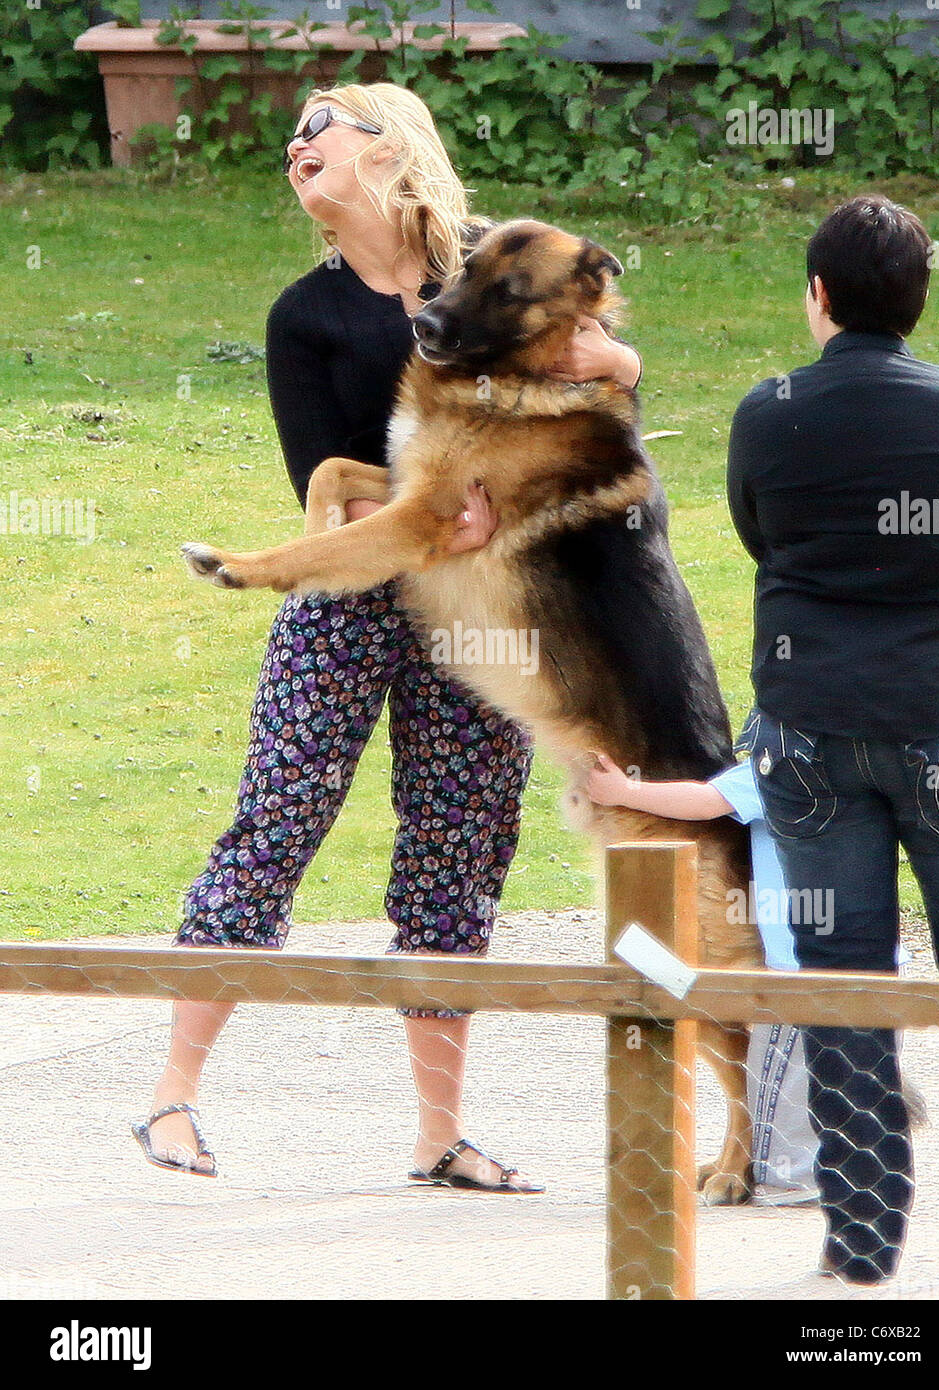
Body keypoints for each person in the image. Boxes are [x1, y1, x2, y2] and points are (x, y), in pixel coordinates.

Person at [133, 82, 642, 1193]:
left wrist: (608, 372)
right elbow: (321, 490)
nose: (295, 143)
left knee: (458, 853)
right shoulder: (302, 316)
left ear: (387, 144)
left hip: (479, 612)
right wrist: (427, 519)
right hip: (352, 602)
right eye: (291, 136)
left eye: (317, 123)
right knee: (275, 823)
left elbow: (607, 361)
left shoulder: (490, 264)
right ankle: (171, 1100)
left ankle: (436, 1135)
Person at [727, 194, 939, 1282]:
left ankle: (860, 1249)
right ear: (920, 301)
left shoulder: (764, 413)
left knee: (841, 981)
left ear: (816, 297)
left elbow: (754, 533)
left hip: (809, 732)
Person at [585, 749, 819, 1203]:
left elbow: (708, 801)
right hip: (872, 954)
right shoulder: (853, 765)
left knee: (783, 1082)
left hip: (796, 968)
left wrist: (625, 791)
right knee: (851, 1073)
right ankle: (863, 1169)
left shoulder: (784, 761)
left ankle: (791, 1183)